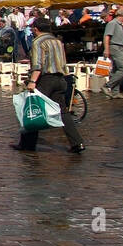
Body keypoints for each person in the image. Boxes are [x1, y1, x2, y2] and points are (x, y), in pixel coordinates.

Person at [12, 18, 85, 154]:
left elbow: (37, 64)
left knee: (33, 108)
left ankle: (27, 144)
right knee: (63, 111)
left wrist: (33, 81)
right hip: (61, 78)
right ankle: (77, 142)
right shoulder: (58, 41)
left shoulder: (38, 42)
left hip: (45, 79)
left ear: (36, 29)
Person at [101, 6, 123, 99]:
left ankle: (115, 92)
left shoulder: (120, 24)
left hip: (120, 46)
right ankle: (106, 86)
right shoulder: (112, 23)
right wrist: (106, 49)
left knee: (115, 70)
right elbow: (107, 36)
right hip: (115, 47)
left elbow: (119, 36)